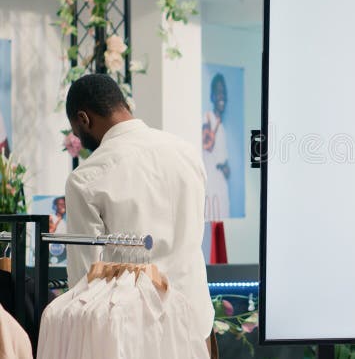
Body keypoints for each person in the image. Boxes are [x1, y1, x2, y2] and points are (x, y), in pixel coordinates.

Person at [64, 73, 214, 344]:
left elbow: (83, 280)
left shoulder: (86, 178)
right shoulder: (187, 153)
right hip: (196, 323)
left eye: (77, 131)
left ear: (84, 119)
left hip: (134, 333)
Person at [202, 73, 231, 219]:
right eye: (218, 92)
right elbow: (207, 147)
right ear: (212, 96)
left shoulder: (222, 126)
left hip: (221, 185)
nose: (222, 96)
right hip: (211, 186)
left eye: (224, 92)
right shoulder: (207, 119)